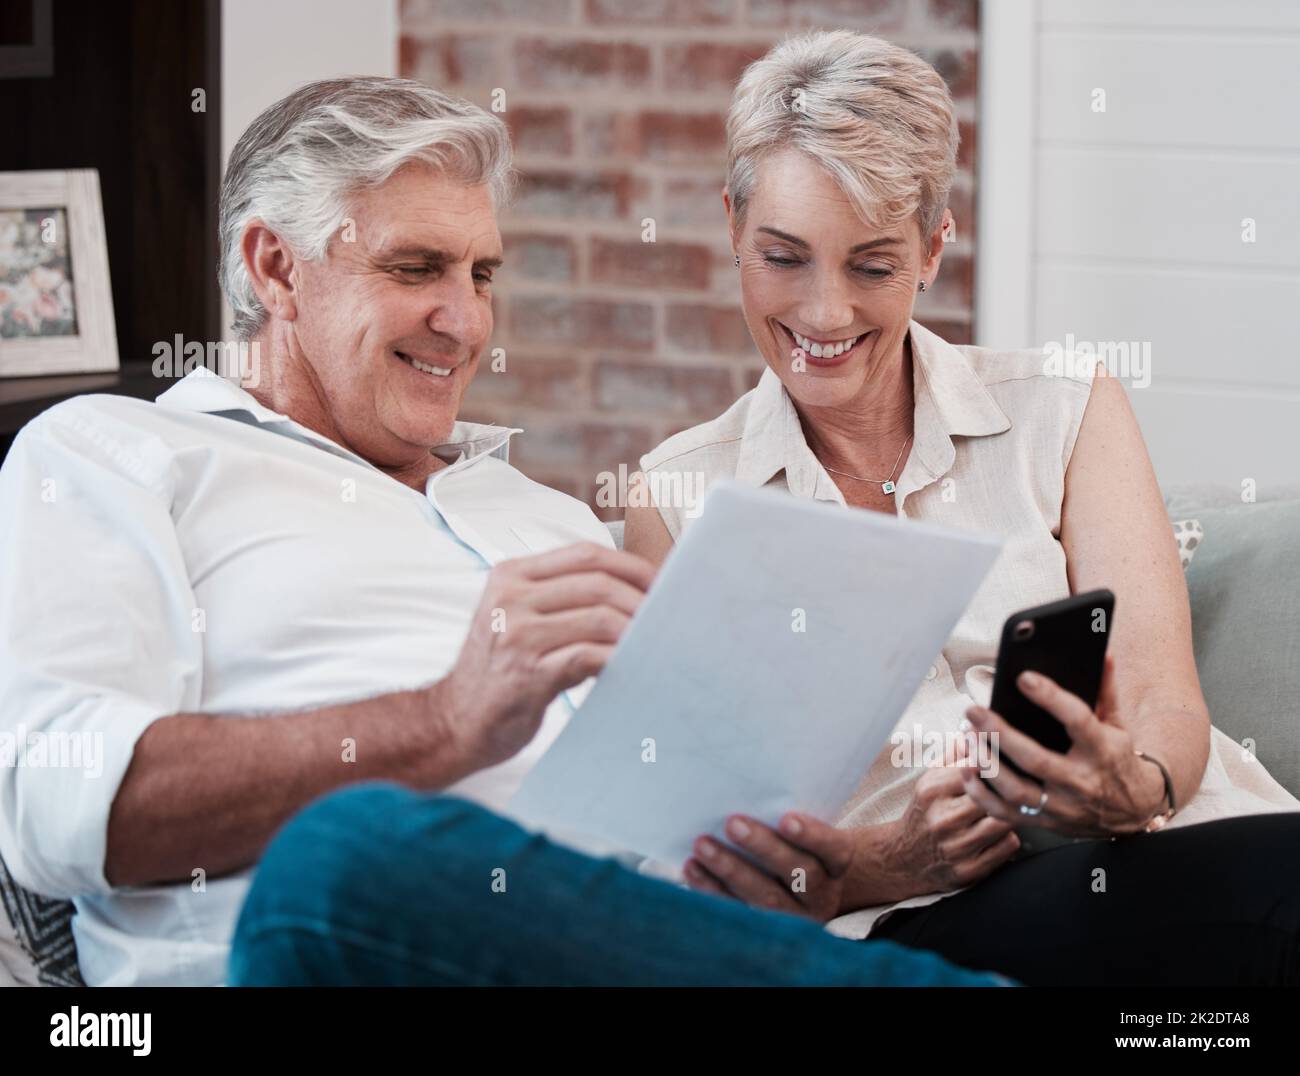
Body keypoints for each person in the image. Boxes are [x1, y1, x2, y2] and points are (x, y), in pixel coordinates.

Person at [0, 76, 999, 988]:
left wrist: (761, 870)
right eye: (416, 267)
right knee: (346, 850)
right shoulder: (110, 454)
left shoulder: (543, 516)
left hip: (615, 950)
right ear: (276, 267)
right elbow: (58, 805)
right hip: (335, 940)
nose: (464, 321)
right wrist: (444, 718)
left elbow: (646, 861)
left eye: (481, 274)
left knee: (1140, 878)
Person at [623, 30, 1300, 985]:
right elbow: (700, 853)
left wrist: (1126, 785)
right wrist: (890, 857)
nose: (823, 315)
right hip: (928, 922)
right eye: (783, 257)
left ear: (934, 248)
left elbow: (1160, 696)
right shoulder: (679, 498)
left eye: (871, 266)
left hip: (1156, 855)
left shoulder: (1063, 405)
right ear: (732, 224)